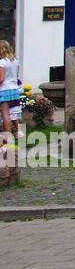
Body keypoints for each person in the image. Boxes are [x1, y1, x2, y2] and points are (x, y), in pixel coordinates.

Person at [0, 42, 21, 185]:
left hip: (4, 88)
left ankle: (7, 135)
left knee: (4, 112)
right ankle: (17, 131)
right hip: (14, 88)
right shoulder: (14, 60)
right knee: (13, 113)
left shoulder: (1, 62)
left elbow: (1, 78)